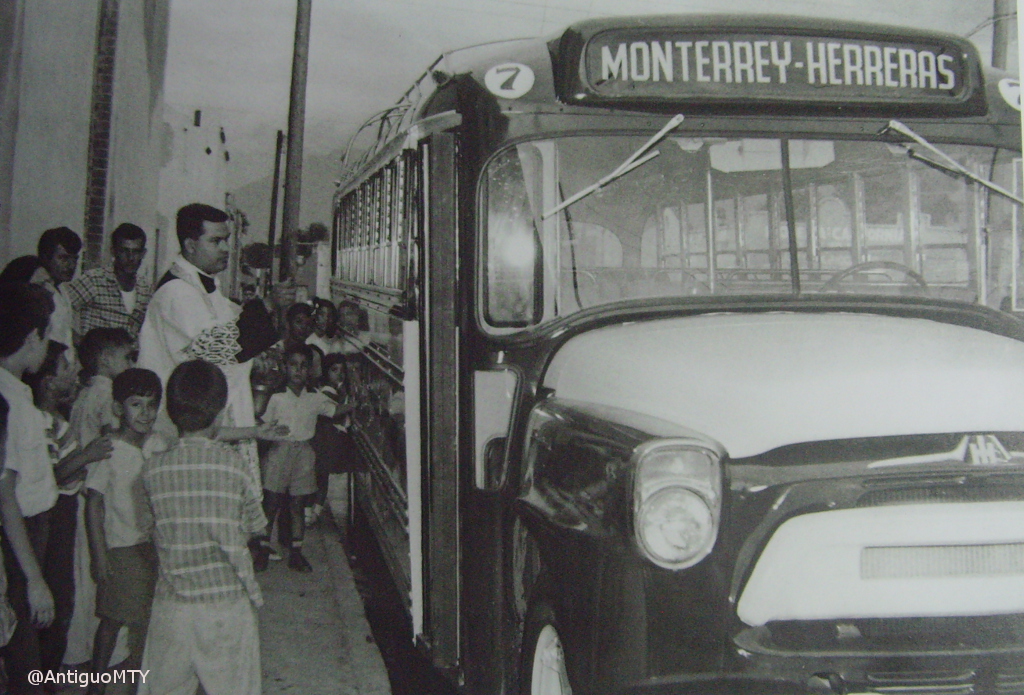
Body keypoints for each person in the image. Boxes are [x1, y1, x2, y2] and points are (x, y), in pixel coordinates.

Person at [138, 360, 266, 695]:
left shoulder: (152, 470)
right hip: (226, 606)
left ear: (169, 410)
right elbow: (254, 526)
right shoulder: (234, 466)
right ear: (221, 413)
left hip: (173, 606)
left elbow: (148, 527)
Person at [137, 204, 277, 475]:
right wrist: (268, 306)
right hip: (184, 428)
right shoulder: (177, 293)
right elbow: (219, 346)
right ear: (190, 244)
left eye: (226, 239)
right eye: (215, 241)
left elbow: (236, 323)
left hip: (214, 419)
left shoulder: (203, 286)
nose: (226, 248)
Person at [20, 339, 108, 677]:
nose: (75, 373)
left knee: (66, 593)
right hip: (55, 514)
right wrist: (87, 455)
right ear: (48, 383)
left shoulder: (58, 415)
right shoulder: (42, 420)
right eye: (66, 368)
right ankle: (44, 675)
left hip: (66, 512)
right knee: (58, 593)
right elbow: (51, 474)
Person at [85, 369, 162, 695]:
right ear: (118, 408)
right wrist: (99, 555)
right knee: (113, 621)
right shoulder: (109, 450)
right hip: (120, 548)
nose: (145, 413)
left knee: (144, 621)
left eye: (151, 404)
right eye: (135, 404)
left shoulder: (155, 447)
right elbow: (93, 505)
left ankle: (133, 685)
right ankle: (95, 687)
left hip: (149, 546)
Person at [64, 327, 136, 668]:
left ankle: (79, 649)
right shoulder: (108, 395)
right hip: (99, 492)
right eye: (127, 357)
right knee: (101, 574)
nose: (131, 362)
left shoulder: (84, 392)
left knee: (82, 576)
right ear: (106, 360)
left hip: (81, 490)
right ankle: (102, 653)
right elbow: (115, 438)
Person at [254, 345, 350, 573]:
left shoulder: (315, 398)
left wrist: (358, 402)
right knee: (271, 502)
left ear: (310, 370)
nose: (298, 370)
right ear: (285, 367)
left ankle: (296, 552)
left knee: (298, 504)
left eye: (303, 366)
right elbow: (261, 420)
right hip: (279, 451)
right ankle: (263, 549)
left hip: (305, 455)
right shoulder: (275, 396)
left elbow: (334, 411)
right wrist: (267, 431)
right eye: (293, 365)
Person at [65, 223, 152, 339]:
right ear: (113, 251)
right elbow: (57, 308)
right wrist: (78, 342)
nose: (130, 258)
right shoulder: (93, 280)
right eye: (124, 251)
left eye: (136, 252)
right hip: (95, 355)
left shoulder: (145, 288)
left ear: (143, 253)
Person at [37, 227, 82, 349]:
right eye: (63, 258)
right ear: (45, 257)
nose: (71, 266)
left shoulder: (62, 288)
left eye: (74, 259)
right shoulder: (38, 291)